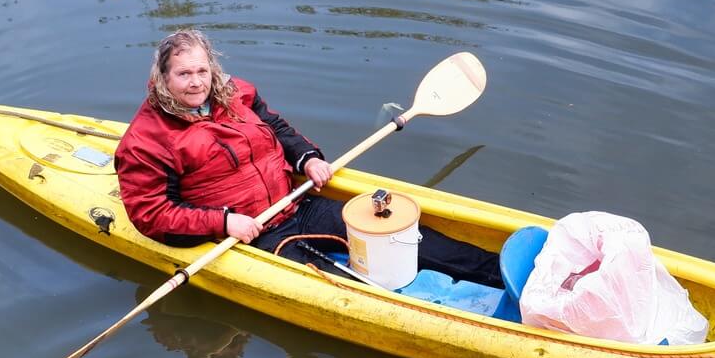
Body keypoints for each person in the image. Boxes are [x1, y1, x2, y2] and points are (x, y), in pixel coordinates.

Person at [114, 30, 501, 287]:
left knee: (403, 237)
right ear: (164, 78)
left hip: (297, 205)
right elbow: (150, 215)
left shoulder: (236, 94)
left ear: (212, 68)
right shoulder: (146, 142)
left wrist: (308, 159)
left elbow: (277, 128)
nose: (196, 82)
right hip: (251, 236)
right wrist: (225, 221)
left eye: (201, 70)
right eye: (183, 74)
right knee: (345, 286)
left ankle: (499, 273)